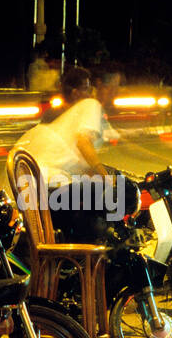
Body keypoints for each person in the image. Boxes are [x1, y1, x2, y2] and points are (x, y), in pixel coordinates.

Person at [13, 64, 122, 242]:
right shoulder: (89, 106)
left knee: (91, 198)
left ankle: (82, 251)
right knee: (115, 195)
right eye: (87, 89)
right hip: (50, 185)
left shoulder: (55, 116)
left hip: (26, 190)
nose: (90, 94)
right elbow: (83, 142)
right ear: (75, 93)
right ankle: (97, 255)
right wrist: (105, 176)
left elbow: (70, 158)